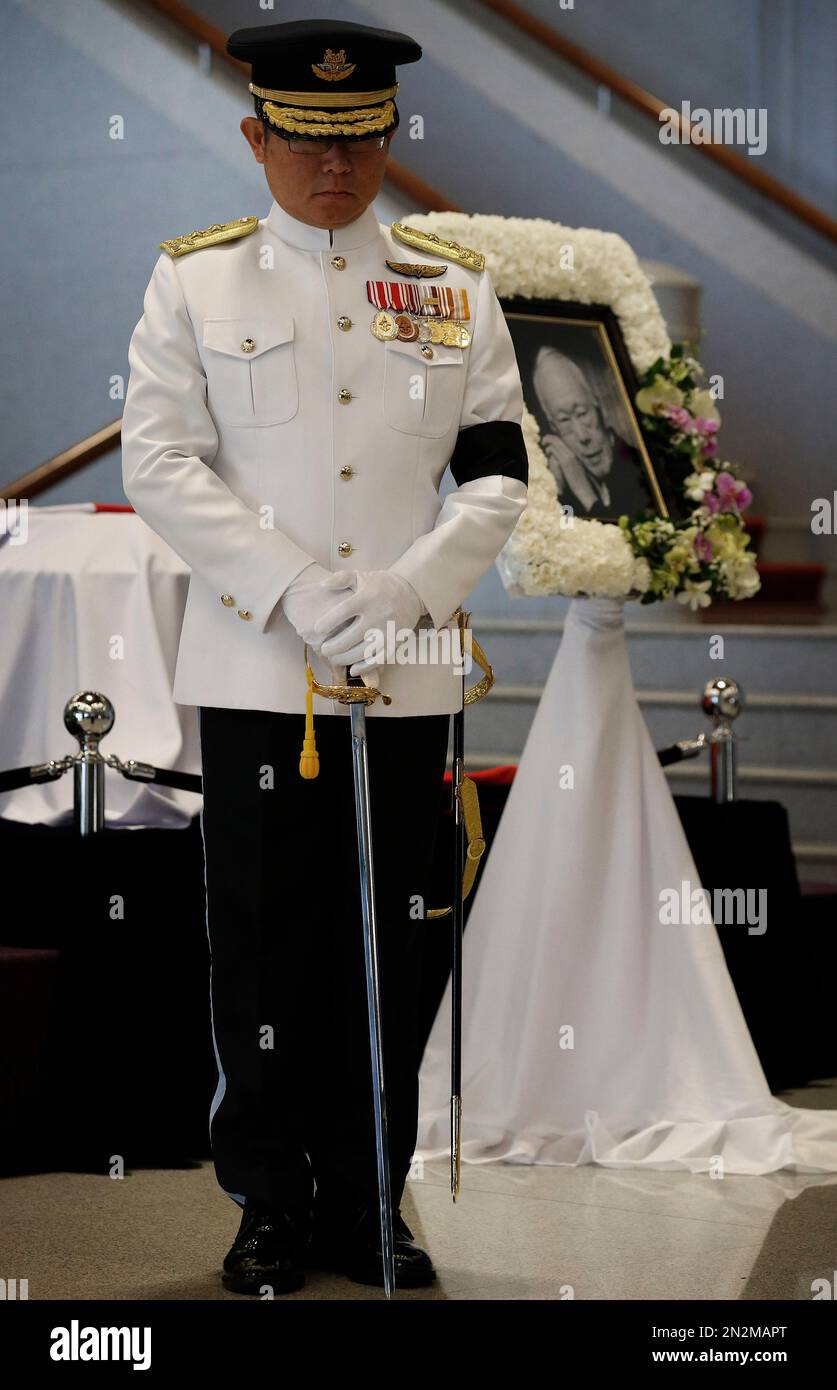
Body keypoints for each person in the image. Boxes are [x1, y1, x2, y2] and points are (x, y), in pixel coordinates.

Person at [121, 17, 528, 1295]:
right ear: (258, 138)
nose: (335, 166)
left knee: (393, 948)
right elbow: (162, 461)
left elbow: (501, 472)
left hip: (405, 673)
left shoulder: (454, 286)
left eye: (358, 139)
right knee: (260, 947)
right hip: (257, 675)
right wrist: (294, 585)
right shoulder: (196, 281)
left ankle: (371, 1204)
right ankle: (270, 1205)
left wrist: (408, 585)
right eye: (305, 139)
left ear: (390, 135)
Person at [532, 346, 647, 519]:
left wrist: (584, 493)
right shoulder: (569, 479)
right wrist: (560, 493)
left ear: (599, 407)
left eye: (582, 413)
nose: (582, 436)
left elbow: (624, 540)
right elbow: (567, 533)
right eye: (564, 420)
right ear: (554, 430)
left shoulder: (640, 468)